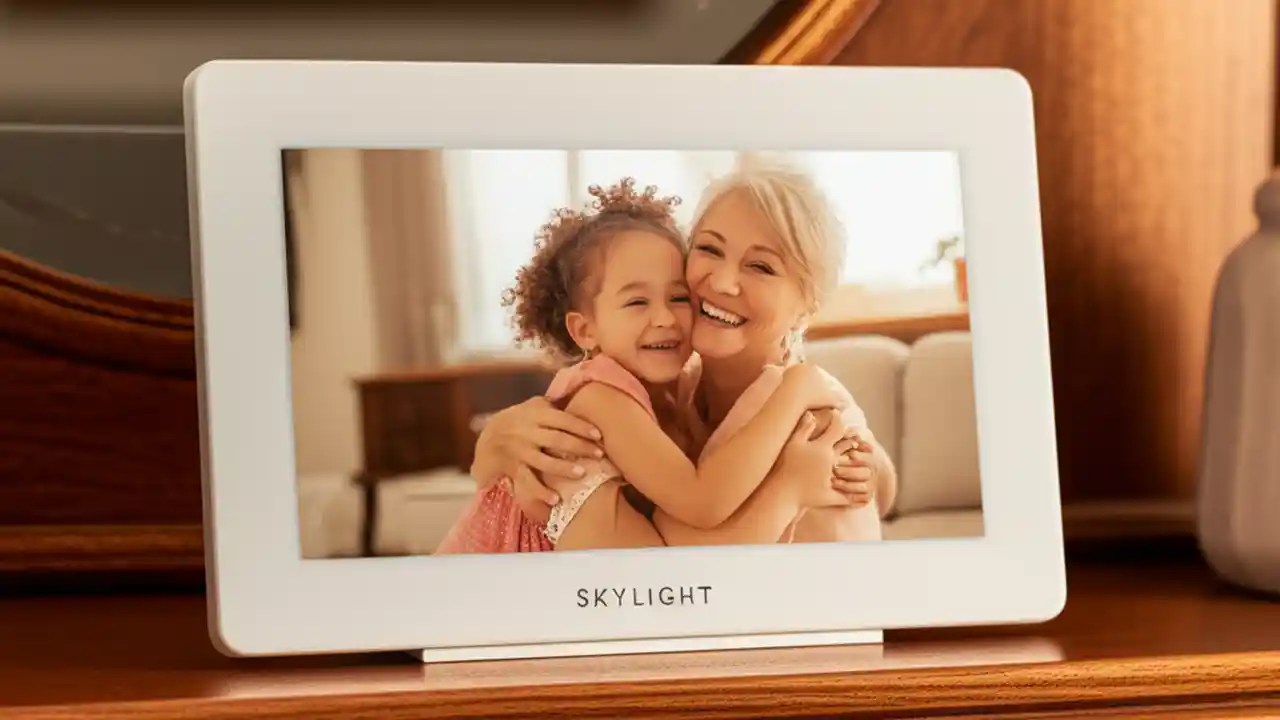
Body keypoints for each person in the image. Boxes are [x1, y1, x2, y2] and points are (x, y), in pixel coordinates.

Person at [473, 163, 898, 544]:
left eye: (762, 266)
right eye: (710, 249)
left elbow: (687, 561)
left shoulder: (808, 409)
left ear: (807, 305)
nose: (724, 282)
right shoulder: (677, 385)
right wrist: (494, 442)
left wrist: (864, 469)